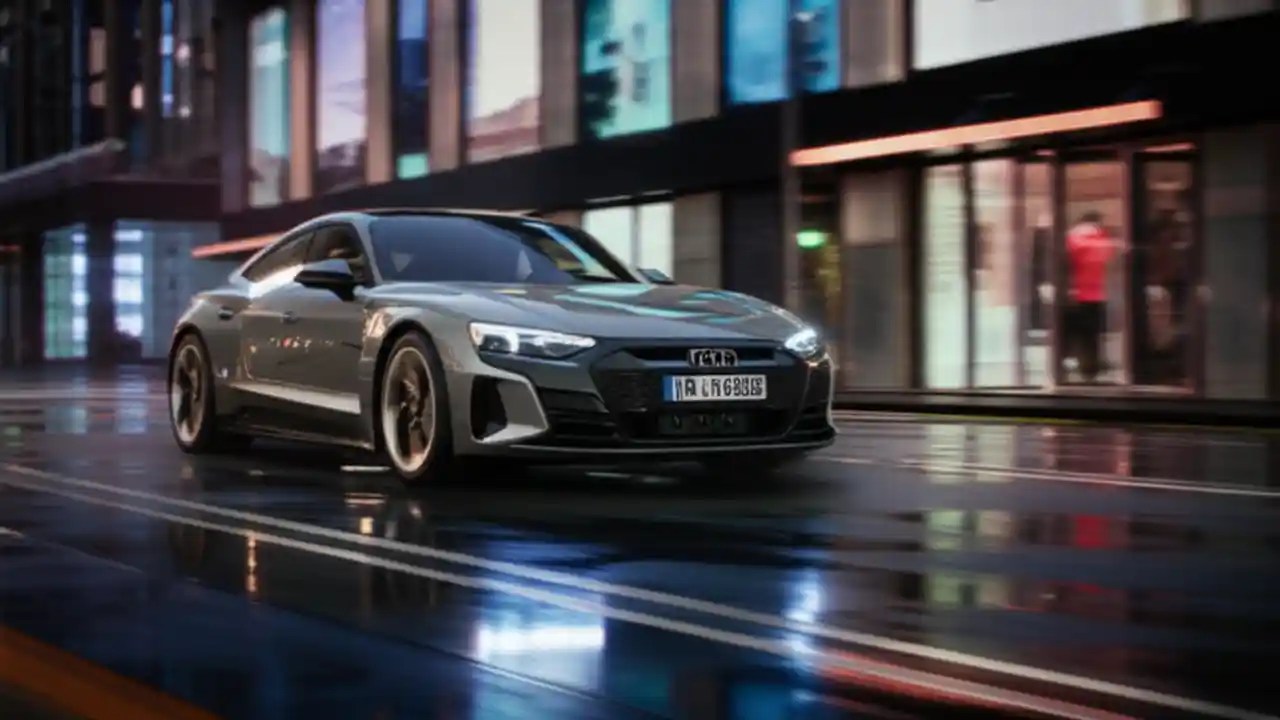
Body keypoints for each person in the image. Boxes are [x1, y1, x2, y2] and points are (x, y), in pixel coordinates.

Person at [1065, 211, 1117, 382]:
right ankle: (1090, 366)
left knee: (1074, 331)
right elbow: (1109, 257)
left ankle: (1073, 362)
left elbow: (1066, 262)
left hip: (1076, 292)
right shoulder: (1103, 237)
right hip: (1097, 292)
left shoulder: (1071, 237)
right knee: (1092, 333)